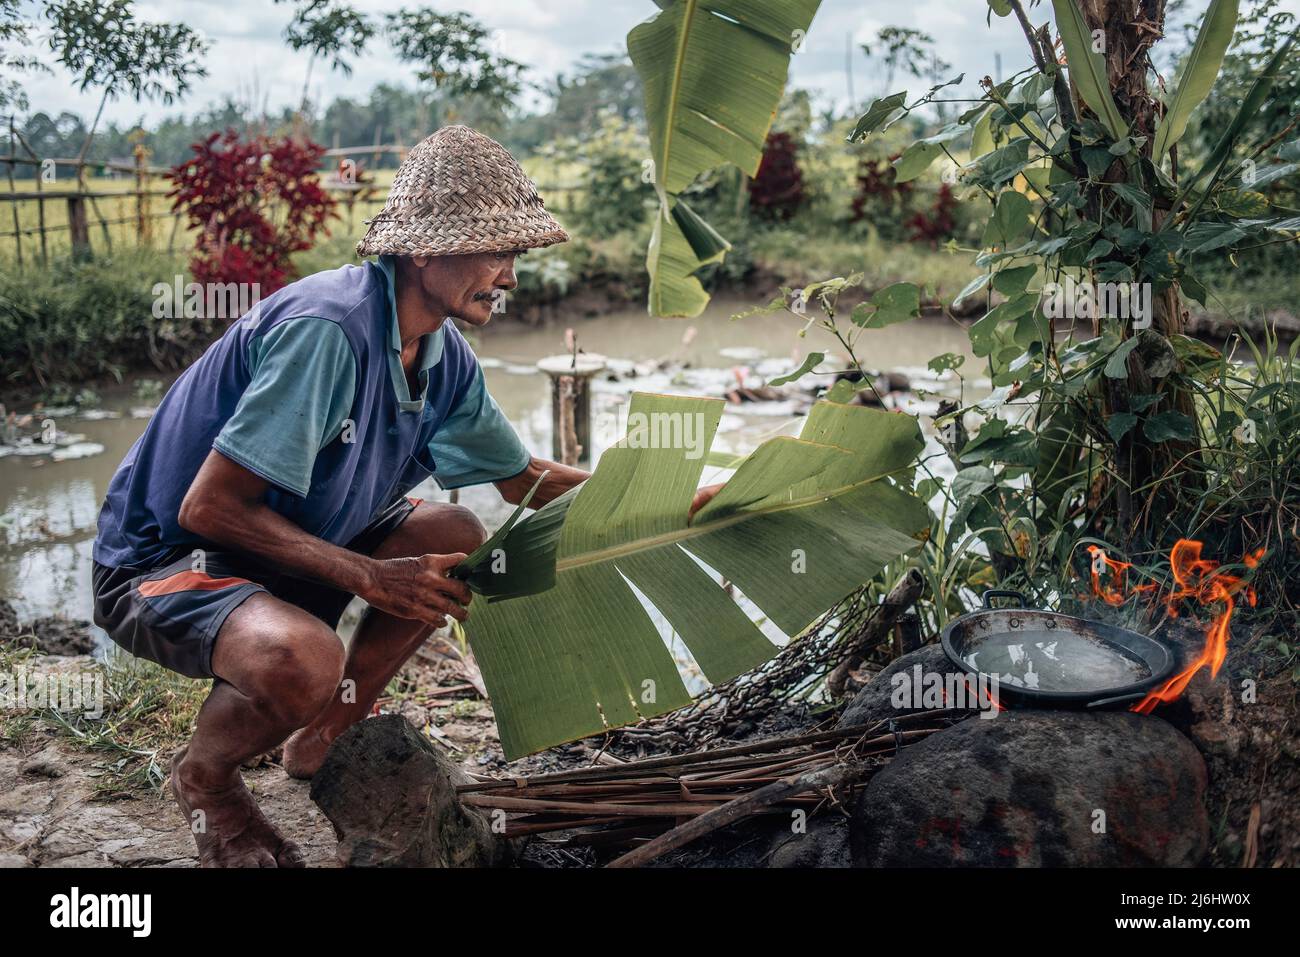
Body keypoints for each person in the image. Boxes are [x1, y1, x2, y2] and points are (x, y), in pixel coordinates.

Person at [91, 126, 723, 867]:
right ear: (423, 250)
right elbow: (209, 509)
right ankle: (208, 780)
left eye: (516, 255)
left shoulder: (445, 354)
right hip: (169, 562)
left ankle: (325, 734)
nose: (511, 277)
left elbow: (525, 483)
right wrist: (368, 576)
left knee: (451, 530)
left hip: (276, 550)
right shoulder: (329, 332)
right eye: (496, 252)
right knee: (306, 656)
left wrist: (674, 500)